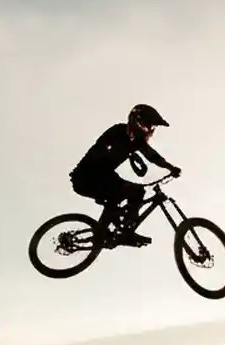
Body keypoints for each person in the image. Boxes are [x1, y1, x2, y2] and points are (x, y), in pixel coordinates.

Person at [69, 104, 182, 246]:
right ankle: (112, 232)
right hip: (87, 177)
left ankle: (121, 230)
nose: (150, 131)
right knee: (129, 191)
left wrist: (170, 167)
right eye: (148, 126)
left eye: (152, 128)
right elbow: (103, 153)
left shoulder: (135, 141)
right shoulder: (117, 132)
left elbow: (152, 155)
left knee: (134, 192)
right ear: (137, 121)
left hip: (102, 176)